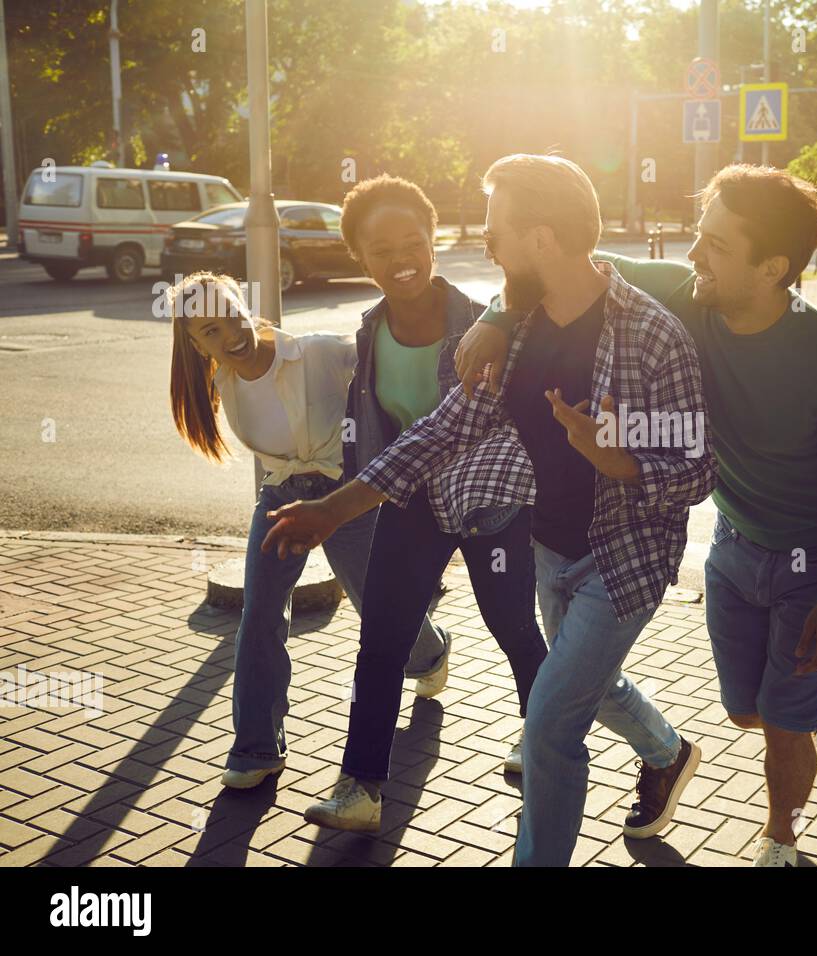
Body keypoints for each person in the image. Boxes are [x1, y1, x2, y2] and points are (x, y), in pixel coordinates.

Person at [261, 154, 715, 865]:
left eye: (496, 230)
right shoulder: (521, 328)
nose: (487, 244)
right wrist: (334, 509)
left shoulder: (653, 336)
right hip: (551, 555)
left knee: (551, 724)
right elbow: (446, 428)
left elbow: (697, 471)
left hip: (623, 563)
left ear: (540, 238)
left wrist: (617, 460)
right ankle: (667, 749)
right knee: (591, 690)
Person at [454, 164, 817, 867]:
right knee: (744, 710)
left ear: (772, 267)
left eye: (714, 245)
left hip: (814, 561)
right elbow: (566, 260)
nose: (692, 257)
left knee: (779, 721)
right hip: (735, 545)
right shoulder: (693, 295)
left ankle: (781, 836)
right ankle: (680, 748)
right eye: (697, 237)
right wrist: (497, 315)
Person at [298, 175, 551, 832]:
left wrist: (342, 505)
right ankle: (360, 787)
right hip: (411, 501)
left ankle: (543, 736)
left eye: (413, 239)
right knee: (381, 639)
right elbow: (373, 425)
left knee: (514, 628)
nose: (400, 256)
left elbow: (460, 427)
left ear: (433, 238)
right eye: (380, 247)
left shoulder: (483, 321)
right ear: (359, 256)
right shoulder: (368, 330)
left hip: (489, 503)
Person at [166, 271, 445, 789]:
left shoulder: (316, 351)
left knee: (379, 610)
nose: (230, 335)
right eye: (209, 331)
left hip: (343, 496)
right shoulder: (218, 382)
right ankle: (255, 749)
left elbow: (390, 375)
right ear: (194, 343)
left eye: (231, 314)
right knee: (261, 614)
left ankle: (430, 652)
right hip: (280, 498)